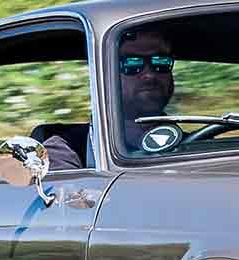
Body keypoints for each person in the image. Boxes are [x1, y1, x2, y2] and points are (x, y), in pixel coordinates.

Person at [39, 26, 175, 171]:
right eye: (132, 64)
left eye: (160, 62)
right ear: (105, 75)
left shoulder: (194, 145)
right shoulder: (66, 152)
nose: (149, 75)